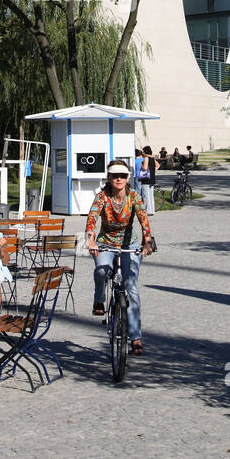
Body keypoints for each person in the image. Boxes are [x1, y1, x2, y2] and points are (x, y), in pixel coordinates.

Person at [85, 158, 154, 357]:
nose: (118, 179)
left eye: (123, 175)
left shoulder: (134, 196)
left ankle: (135, 337)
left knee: (131, 287)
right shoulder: (102, 197)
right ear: (108, 177)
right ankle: (99, 300)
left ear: (128, 178)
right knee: (102, 270)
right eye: (114, 175)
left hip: (129, 245)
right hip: (105, 243)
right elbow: (92, 216)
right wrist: (90, 239)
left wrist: (147, 240)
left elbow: (143, 218)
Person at [138, 143, 156, 215]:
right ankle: (152, 210)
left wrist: (141, 165)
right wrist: (153, 170)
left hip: (146, 179)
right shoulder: (153, 158)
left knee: (146, 195)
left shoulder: (146, 158)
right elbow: (158, 165)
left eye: (143, 151)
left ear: (145, 151)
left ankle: (148, 211)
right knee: (151, 195)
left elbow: (145, 168)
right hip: (152, 178)